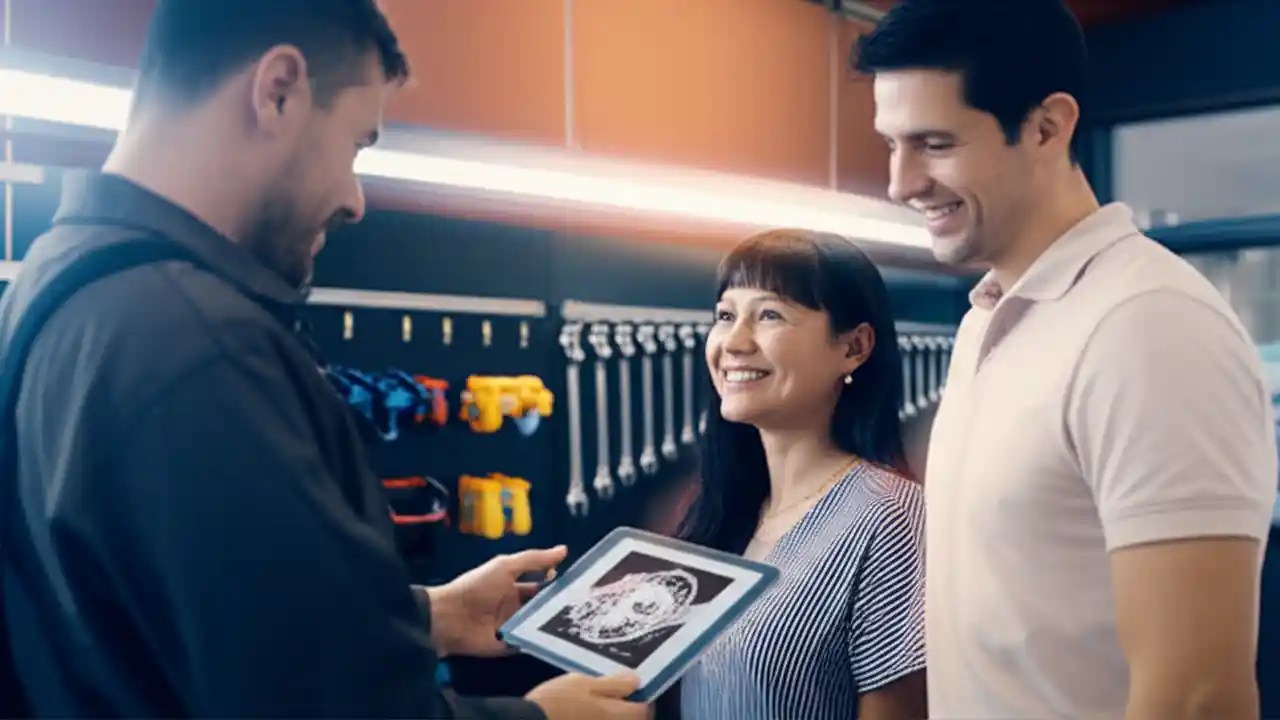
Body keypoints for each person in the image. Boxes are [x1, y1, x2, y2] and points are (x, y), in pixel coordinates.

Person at [0, 2, 646, 718]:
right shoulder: (201, 347)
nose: (354, 199)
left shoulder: (57, 287)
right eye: (356, 146)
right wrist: (544, 718)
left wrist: (426, 616)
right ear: (278, 90)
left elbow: (173, 616)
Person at [855, 1, 1279, 718]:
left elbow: (1197, 698)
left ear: (1047, 127)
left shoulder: (1148, 328)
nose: (901, 182)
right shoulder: (987, 319)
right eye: (892, 144)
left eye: (934, 143)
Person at [669, 230, 927, 720]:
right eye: (725, 316)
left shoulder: (891, 517)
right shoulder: (725, 514)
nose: (734, 342)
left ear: (854, 347)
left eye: (769, 315)